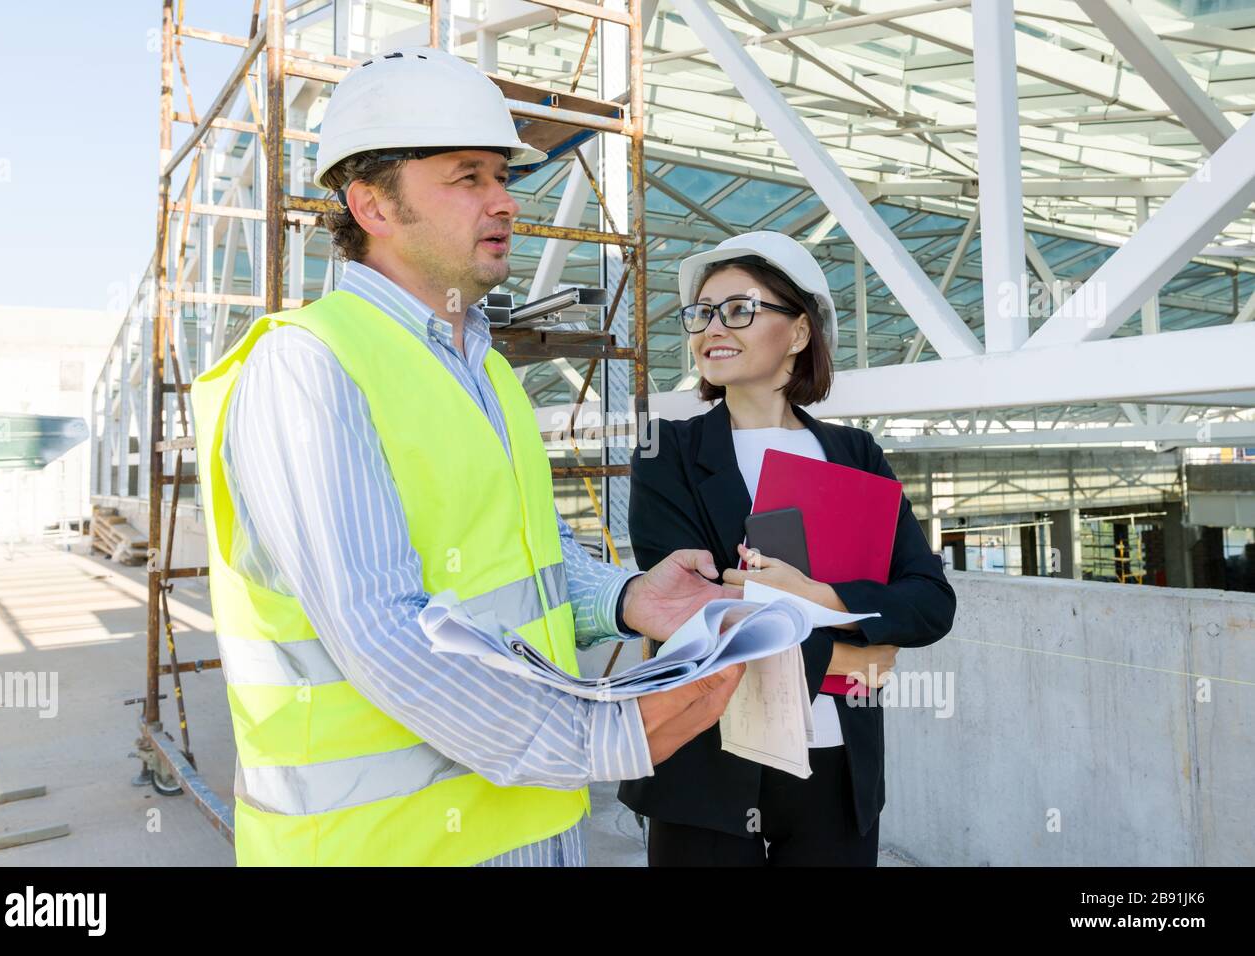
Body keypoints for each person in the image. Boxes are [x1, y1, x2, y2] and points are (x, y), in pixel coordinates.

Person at [189, 47, 745, 867]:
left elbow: (520, 566)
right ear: (371, 205)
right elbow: (380, 628)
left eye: (504, 178)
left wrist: (629, 597)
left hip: (531, 823)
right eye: (467, 177)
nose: (504, 202)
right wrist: (596, 737)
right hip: (388, 847)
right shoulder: (308, 365)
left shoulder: (484, 368)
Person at [617, 231, 956, 866]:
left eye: (739, 309)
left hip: (834, 760)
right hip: (707, 759)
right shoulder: (670, 454)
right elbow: (697, 610)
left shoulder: (856, 455)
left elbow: (930, 602)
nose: (711, 327)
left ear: (799, 332)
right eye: (701, 312)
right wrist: (858, 643)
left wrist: (815, 596)